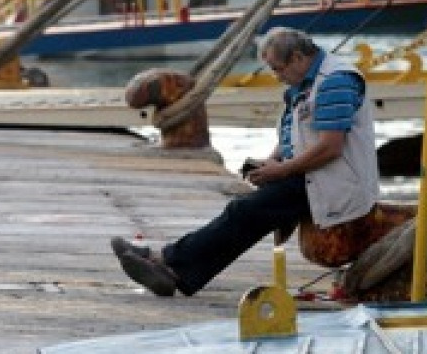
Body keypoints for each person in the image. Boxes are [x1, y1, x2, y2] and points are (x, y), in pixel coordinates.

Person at [110, 26, 380, 296]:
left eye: (278, 69)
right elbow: (298, 132)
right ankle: (172, 268)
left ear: (298, 57)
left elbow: (331, 147)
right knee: (247, 214)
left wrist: (282, 170)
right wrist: (271, 161)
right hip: (311, 175)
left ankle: (166, 262)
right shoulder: (304, 80)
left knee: (244, 212)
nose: (277, 77)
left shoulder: (335, 81)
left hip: (334, 180)